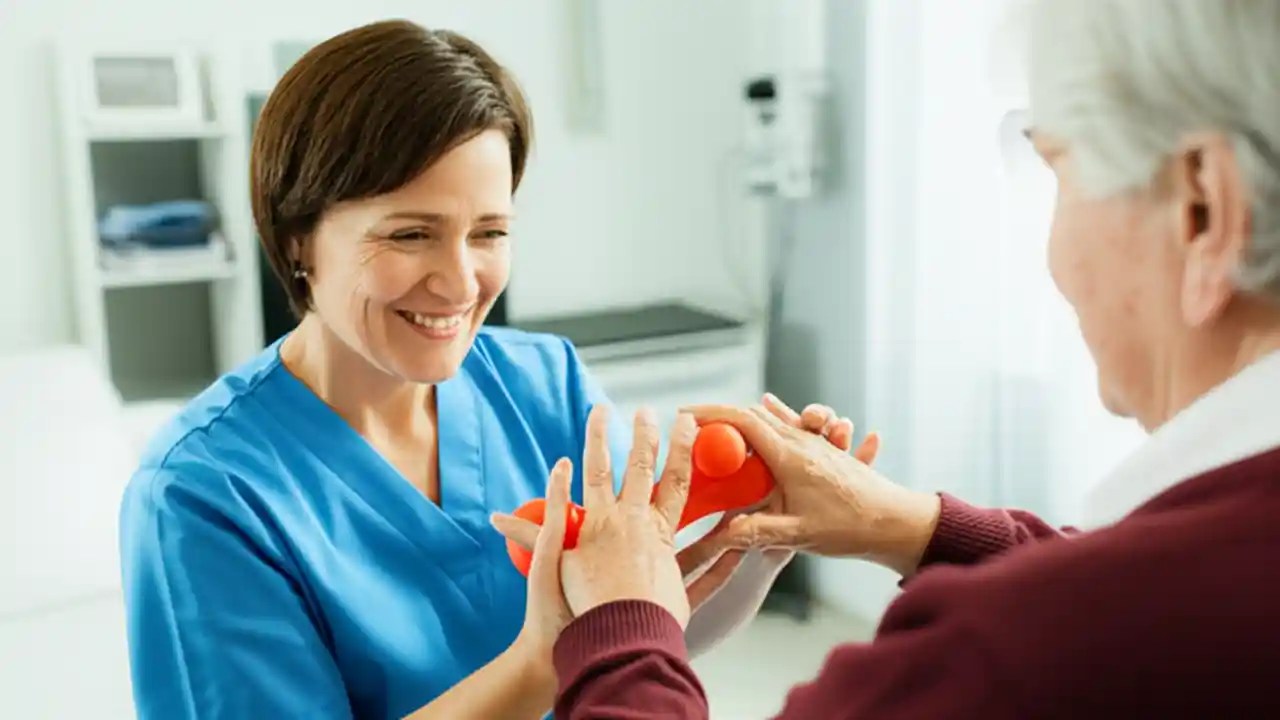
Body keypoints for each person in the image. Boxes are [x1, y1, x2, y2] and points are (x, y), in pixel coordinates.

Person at [492, 0, 1280, 716]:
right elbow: (1127, 592)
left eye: (1059, 174)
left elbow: (1103, 607)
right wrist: (909, 525)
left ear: (1203, 211)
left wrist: (623, 623)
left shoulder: (1000, 659)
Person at [118, 19, 850, 720]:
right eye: (411, 234)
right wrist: (538, 660)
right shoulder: (203, 495)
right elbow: (571, 652)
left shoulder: (544, 383)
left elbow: (636, 648)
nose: (461, 282)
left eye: (490, 232)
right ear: (297, 238)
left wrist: (764, 544)